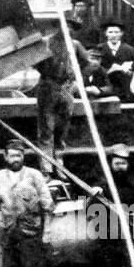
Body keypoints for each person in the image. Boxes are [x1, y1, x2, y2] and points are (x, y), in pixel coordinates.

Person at [33, 24, 89, 174]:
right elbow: (34, 62)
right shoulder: (46, 42)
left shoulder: (75, 45)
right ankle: (46, 169)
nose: (67, 29)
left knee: (61, 130)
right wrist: (48, 74)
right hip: (48, 87)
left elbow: (88, 63)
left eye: (70, 27)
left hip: (66, 89)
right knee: (46, 129)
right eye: (64, 25)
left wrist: (75, 80)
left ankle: (59, 166)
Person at [96, 22, 134, 97]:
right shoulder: (99, 48)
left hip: (124, 88)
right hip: (104, 87)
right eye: (110, 32)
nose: (114, 35)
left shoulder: (130, 50)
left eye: (116, 32)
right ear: (106, 33)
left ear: (121, 33)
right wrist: (109, 71)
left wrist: (127, 72)